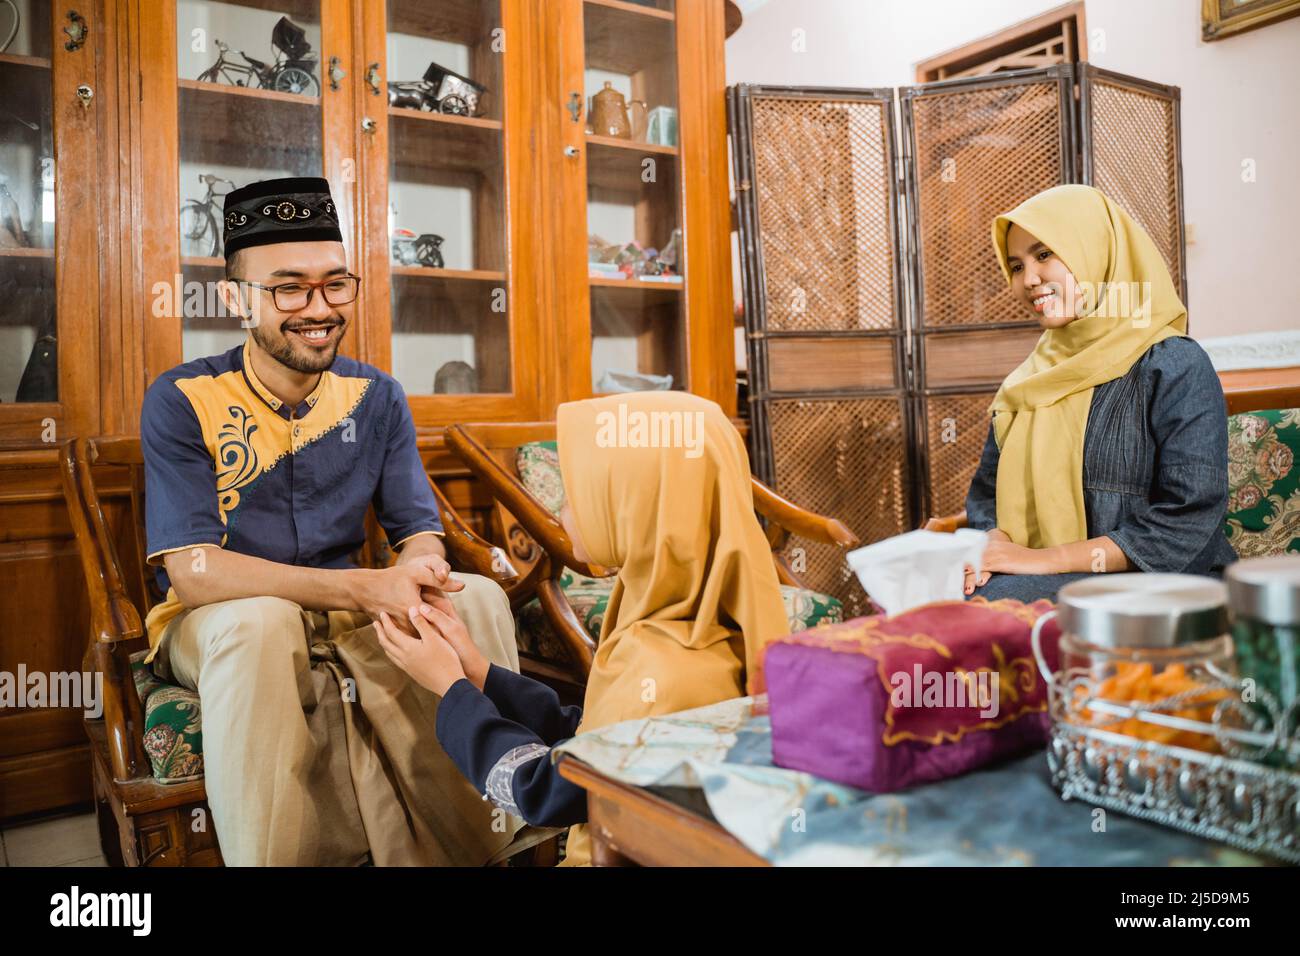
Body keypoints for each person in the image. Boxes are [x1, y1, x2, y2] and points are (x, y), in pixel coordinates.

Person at [140, 176, 520, 866]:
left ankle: (485, 842)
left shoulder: (376, 397)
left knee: (479, 598)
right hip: (218, 622)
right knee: (263, 621)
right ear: (236, 299)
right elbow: (195, 575)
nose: (318, 309)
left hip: (348, 614)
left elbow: (417, 529)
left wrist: (419, 571)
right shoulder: (183, 397)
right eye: (289, 288)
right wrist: (364, 590)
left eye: (335, 285)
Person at [375, 391, 790, 858]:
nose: (563, 514)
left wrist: (450, 687)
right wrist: (480, 672)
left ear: (636, 508)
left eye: (577, 496)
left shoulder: (659, 668)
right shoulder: (713, 625)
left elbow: (541, 791)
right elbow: (594, 737)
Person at [963, 184, 1236, 603]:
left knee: (994, 611)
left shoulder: (1172, 365)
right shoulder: (1027, 382)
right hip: (1042, 580)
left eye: (1043, 255)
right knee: (945, 597)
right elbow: (987, 498)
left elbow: (1186, 521)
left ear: (1098, 251)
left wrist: (1039, 560)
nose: (1028, 280)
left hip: (1164, 587)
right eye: (1015, 266)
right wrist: (992, 550)